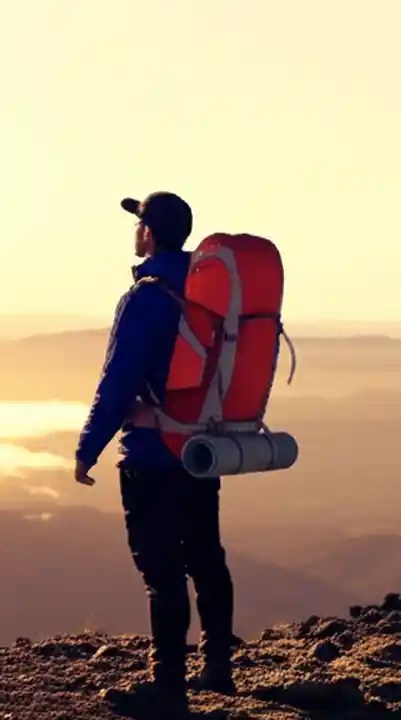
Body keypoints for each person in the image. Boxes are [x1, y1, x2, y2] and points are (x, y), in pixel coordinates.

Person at [73, 192, 237, 716]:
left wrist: (88, 448)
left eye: (138, 222)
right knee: (206, 557)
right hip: (199, 451)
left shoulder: (146, 296)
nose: (135, 230)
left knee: (162, 572)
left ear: (148, 232)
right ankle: (217, 668)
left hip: (150, 455)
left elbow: (117, 380)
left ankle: (168, 686)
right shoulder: (204, 295)